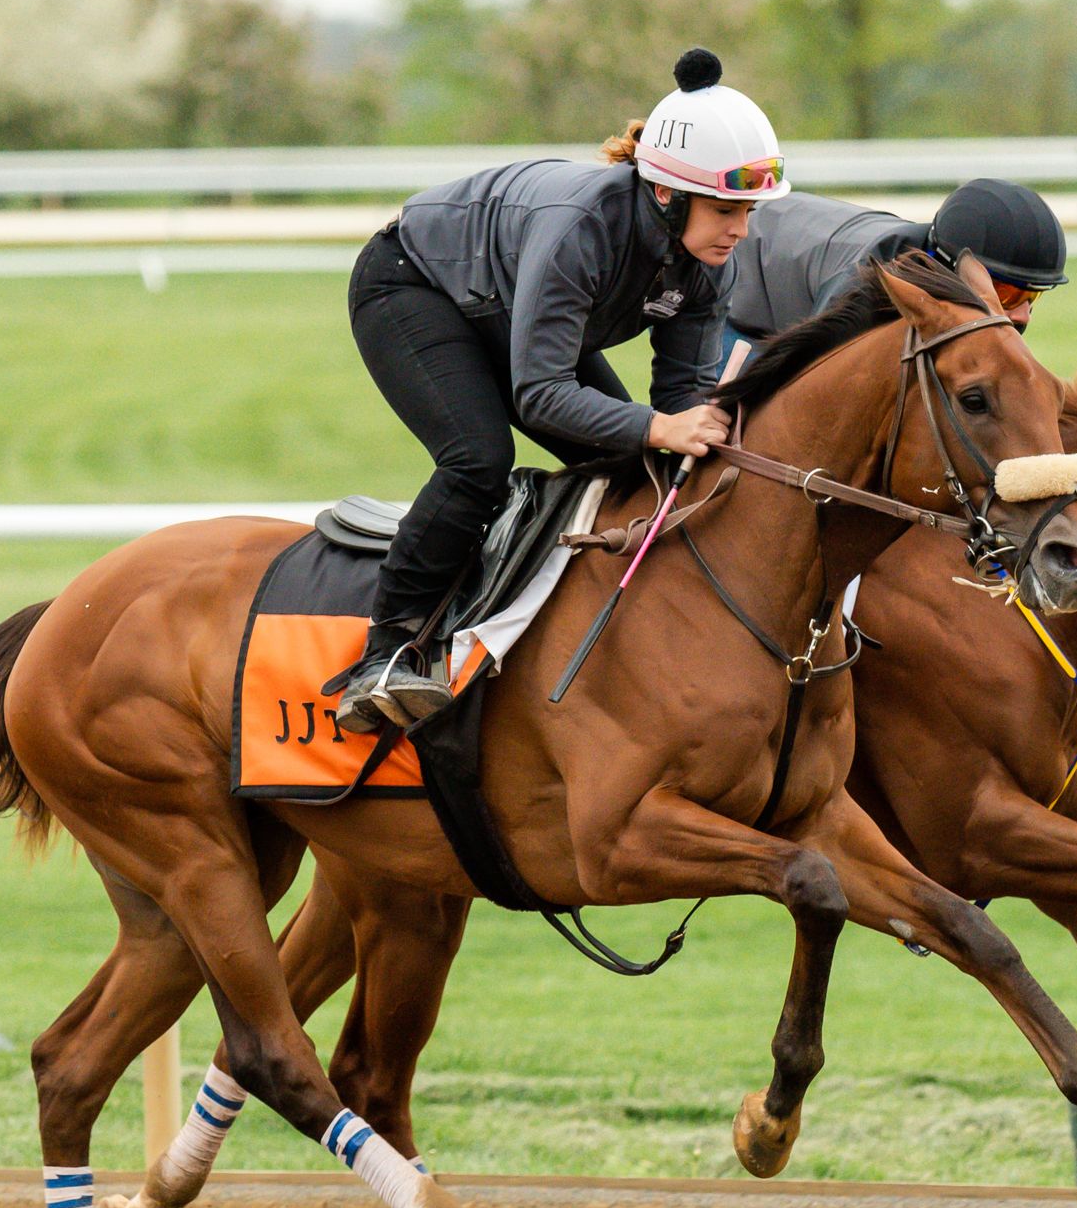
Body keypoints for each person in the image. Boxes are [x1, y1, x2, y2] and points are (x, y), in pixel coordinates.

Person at [334, 47, 790, 732]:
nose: (742, 228)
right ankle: (387, 653)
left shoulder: (706, 261)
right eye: (727, 207)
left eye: (749, 208)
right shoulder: (582, 230)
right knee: (477, 460)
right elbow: (540, 395)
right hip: (414, 286)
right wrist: (662, 427)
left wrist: (690, 433)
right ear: (666, 194)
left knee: (625, 461)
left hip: (503, 304)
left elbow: (681, 401)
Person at [722, 177, 1069, 352]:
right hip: (737, 276)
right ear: (948, 268)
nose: (1022, 316)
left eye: (1033, 297)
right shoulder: (862, 285)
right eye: (1006, 293)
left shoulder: (928, 263)